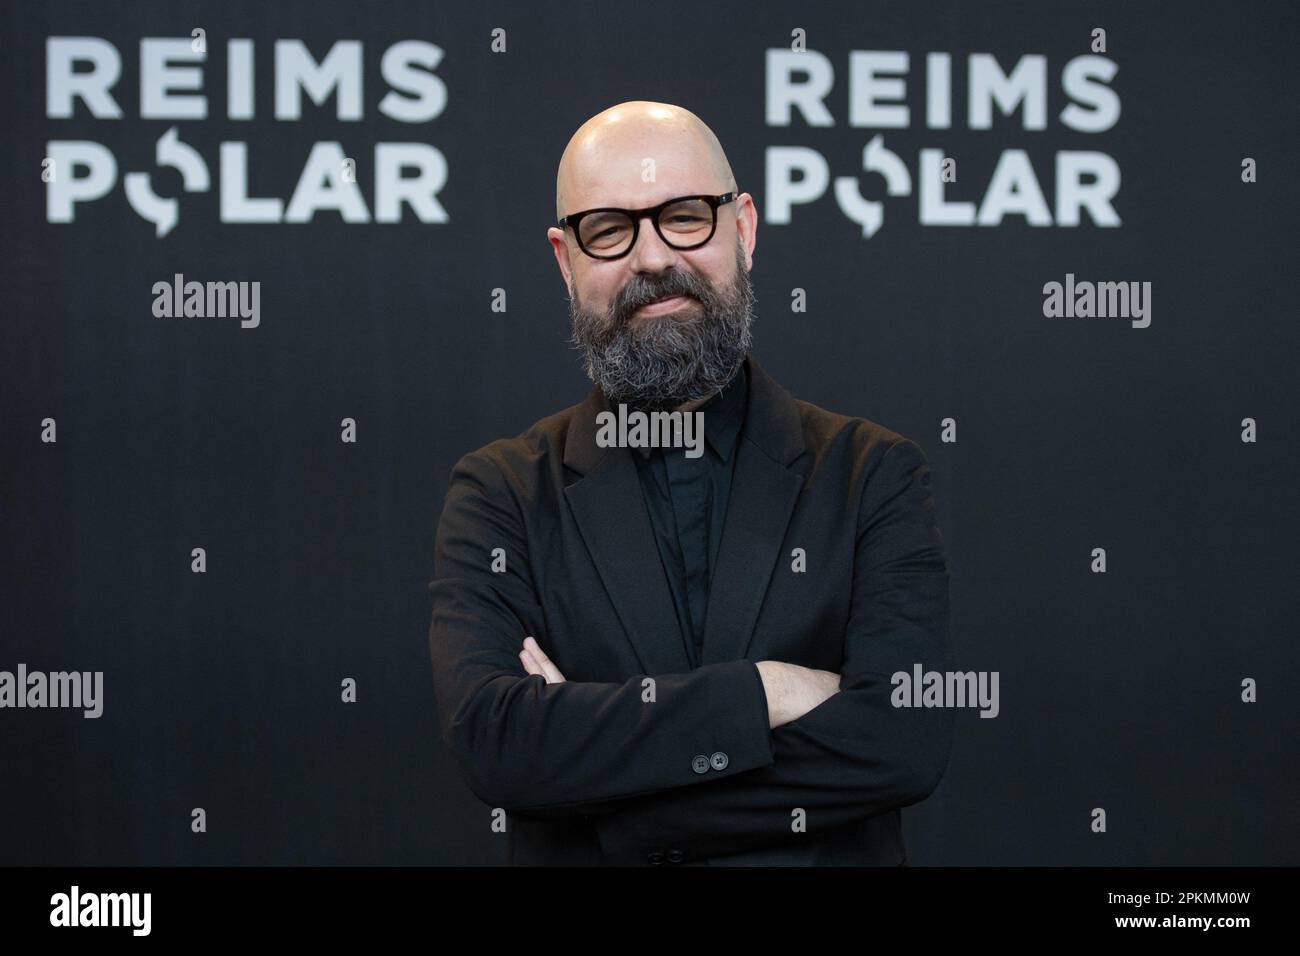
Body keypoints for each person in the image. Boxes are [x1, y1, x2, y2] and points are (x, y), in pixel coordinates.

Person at [427, 100, 953, 865]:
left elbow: (902, 740)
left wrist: (609, 801)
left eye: (683, 217)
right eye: (608, 228)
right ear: (563, 258)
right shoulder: (502, 493)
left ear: (742, 228)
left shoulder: (871, 474)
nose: (650, 258)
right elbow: (498, 744)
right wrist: (766, 693)